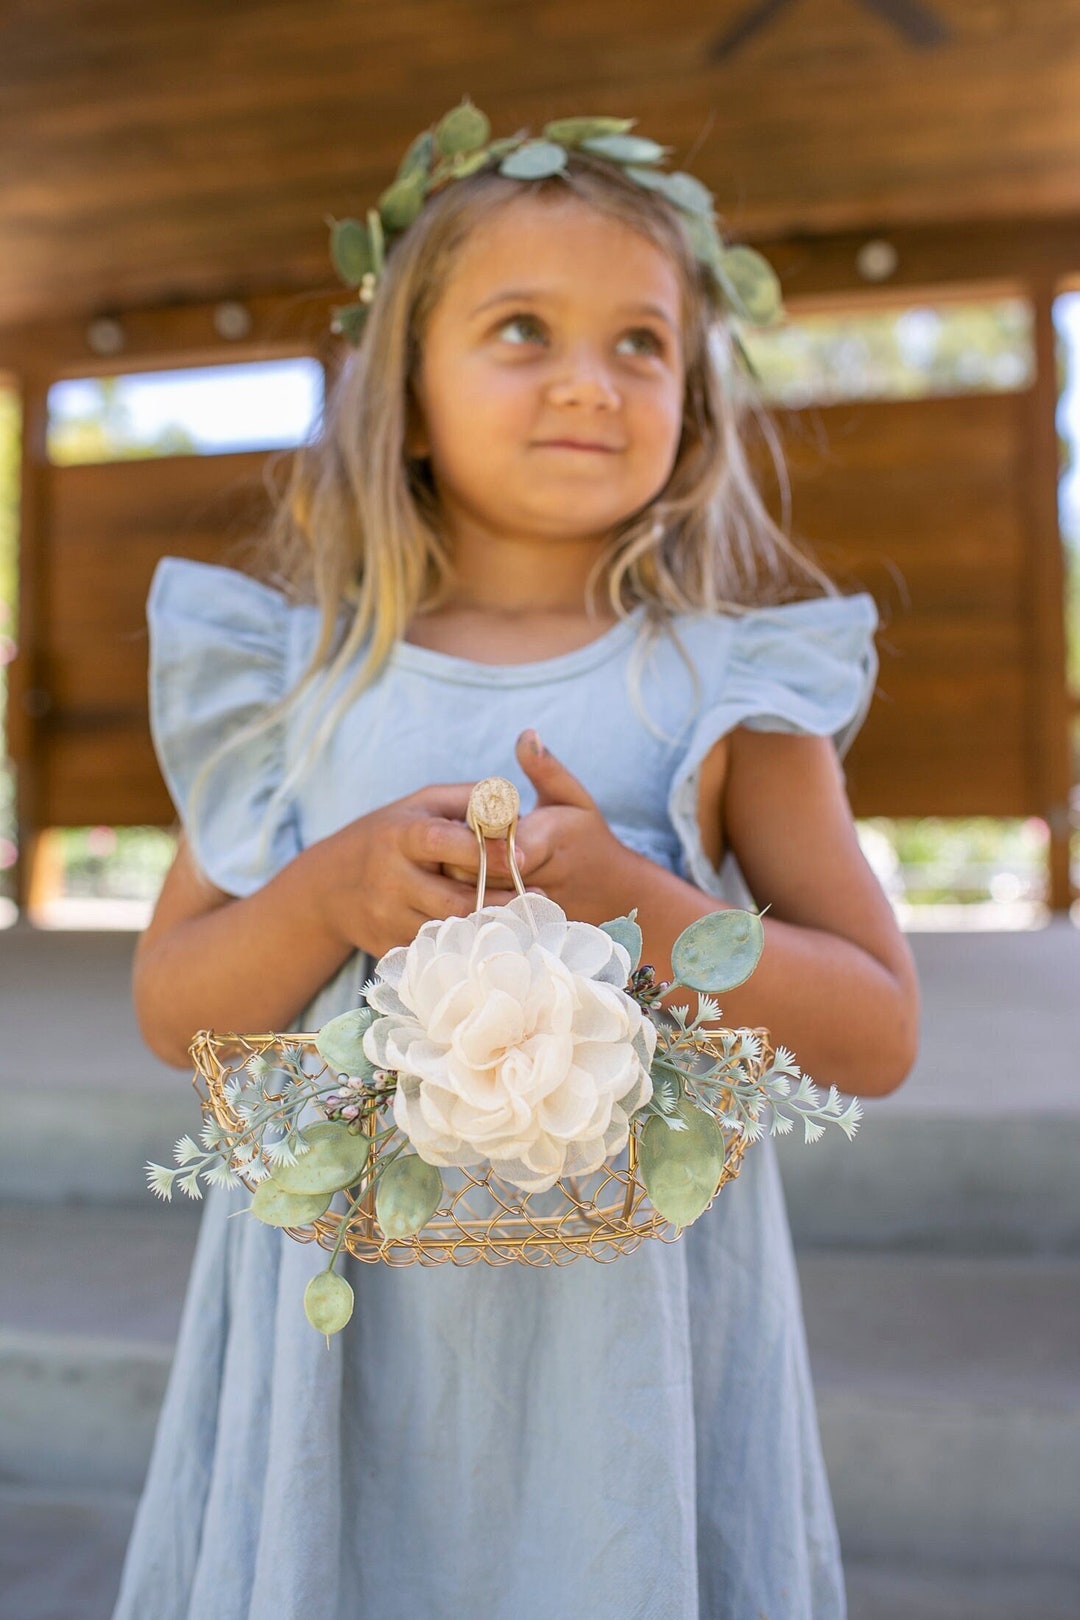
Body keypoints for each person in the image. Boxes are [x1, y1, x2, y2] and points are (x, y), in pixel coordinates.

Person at [114, 106, 919, 1620]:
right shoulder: (292, 680)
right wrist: (323, 897)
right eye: (523, 329)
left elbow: (877, 1029)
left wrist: (648, 902)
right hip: (347, 1336)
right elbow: (174, 1009)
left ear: (694, 393)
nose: (587, 380)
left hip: (629, 1343)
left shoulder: (733, 691)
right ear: (405, 396)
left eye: (639, 344)